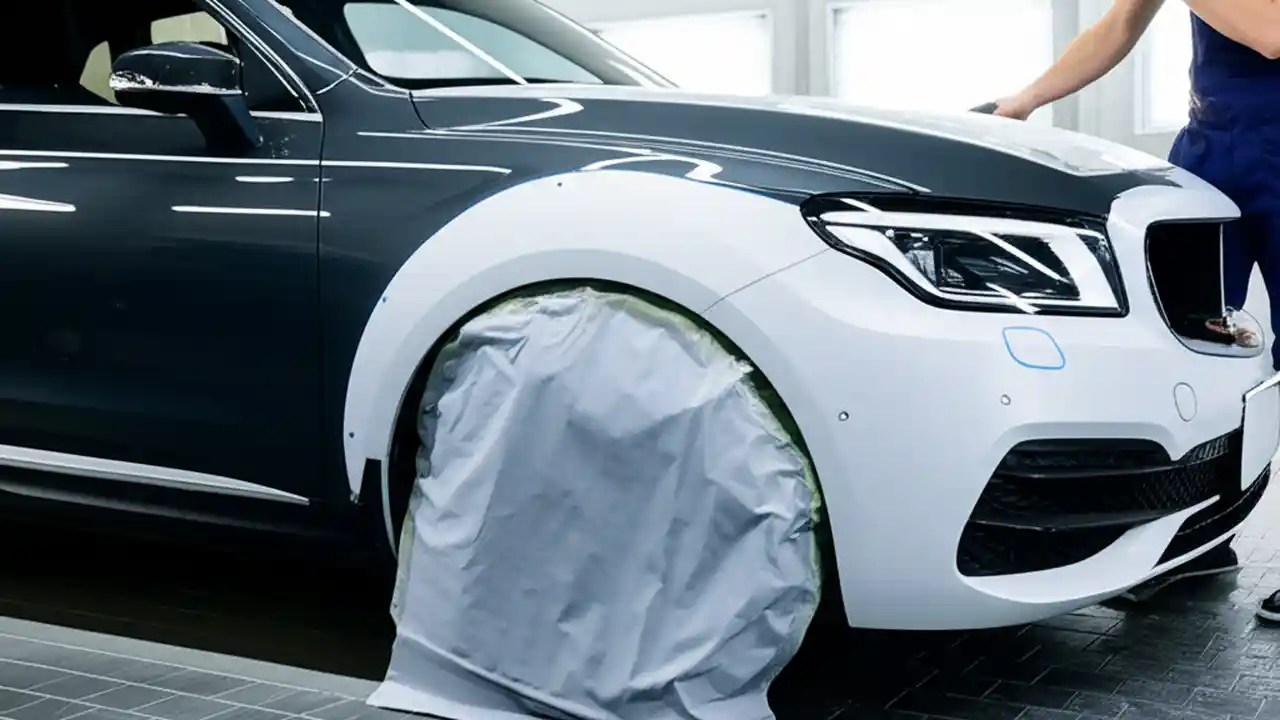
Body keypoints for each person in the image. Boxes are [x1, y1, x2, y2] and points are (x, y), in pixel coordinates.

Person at [990, 0, 1280, 623]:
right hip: (1212, 151)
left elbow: (1271, 33)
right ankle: (1197, 539)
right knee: (1192, 350)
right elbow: (1119, 23)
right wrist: (1025, 100)